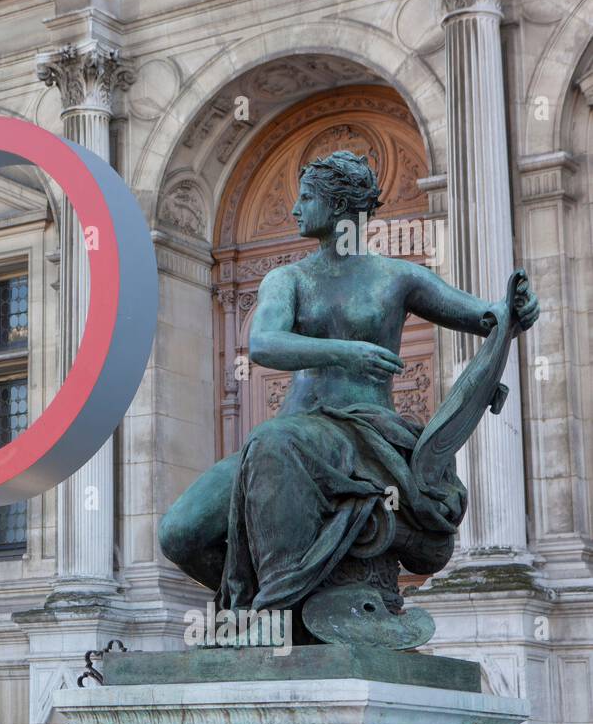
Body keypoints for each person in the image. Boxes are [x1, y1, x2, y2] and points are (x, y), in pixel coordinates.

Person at [159, 150, 540, 614]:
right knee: (179, 533)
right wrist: (346, 352)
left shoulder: (399, 279)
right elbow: (263, 344)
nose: (295, 209)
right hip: (293, 432)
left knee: (271, 441)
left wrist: (515, 307)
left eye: (306, 198)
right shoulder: (288, 279)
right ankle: (286, 608)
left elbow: (486, 317)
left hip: (363, 435)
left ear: (338, 207)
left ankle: (275, 613)